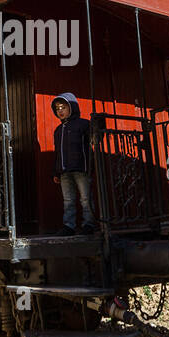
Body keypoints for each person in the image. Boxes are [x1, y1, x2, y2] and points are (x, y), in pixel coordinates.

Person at [51, 92, 95, 235]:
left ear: (72, 107)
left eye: (63, 107)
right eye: (57, 108)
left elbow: (93, 142)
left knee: (85, 198)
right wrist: (56, 172)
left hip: (80, 168)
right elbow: (57, 152)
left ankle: (89, 224)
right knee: (68, 200)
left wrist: (89, 166)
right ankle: (69, 226)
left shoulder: (83, 124)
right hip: (64, 171)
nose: (60, 111)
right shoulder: (58, 130)